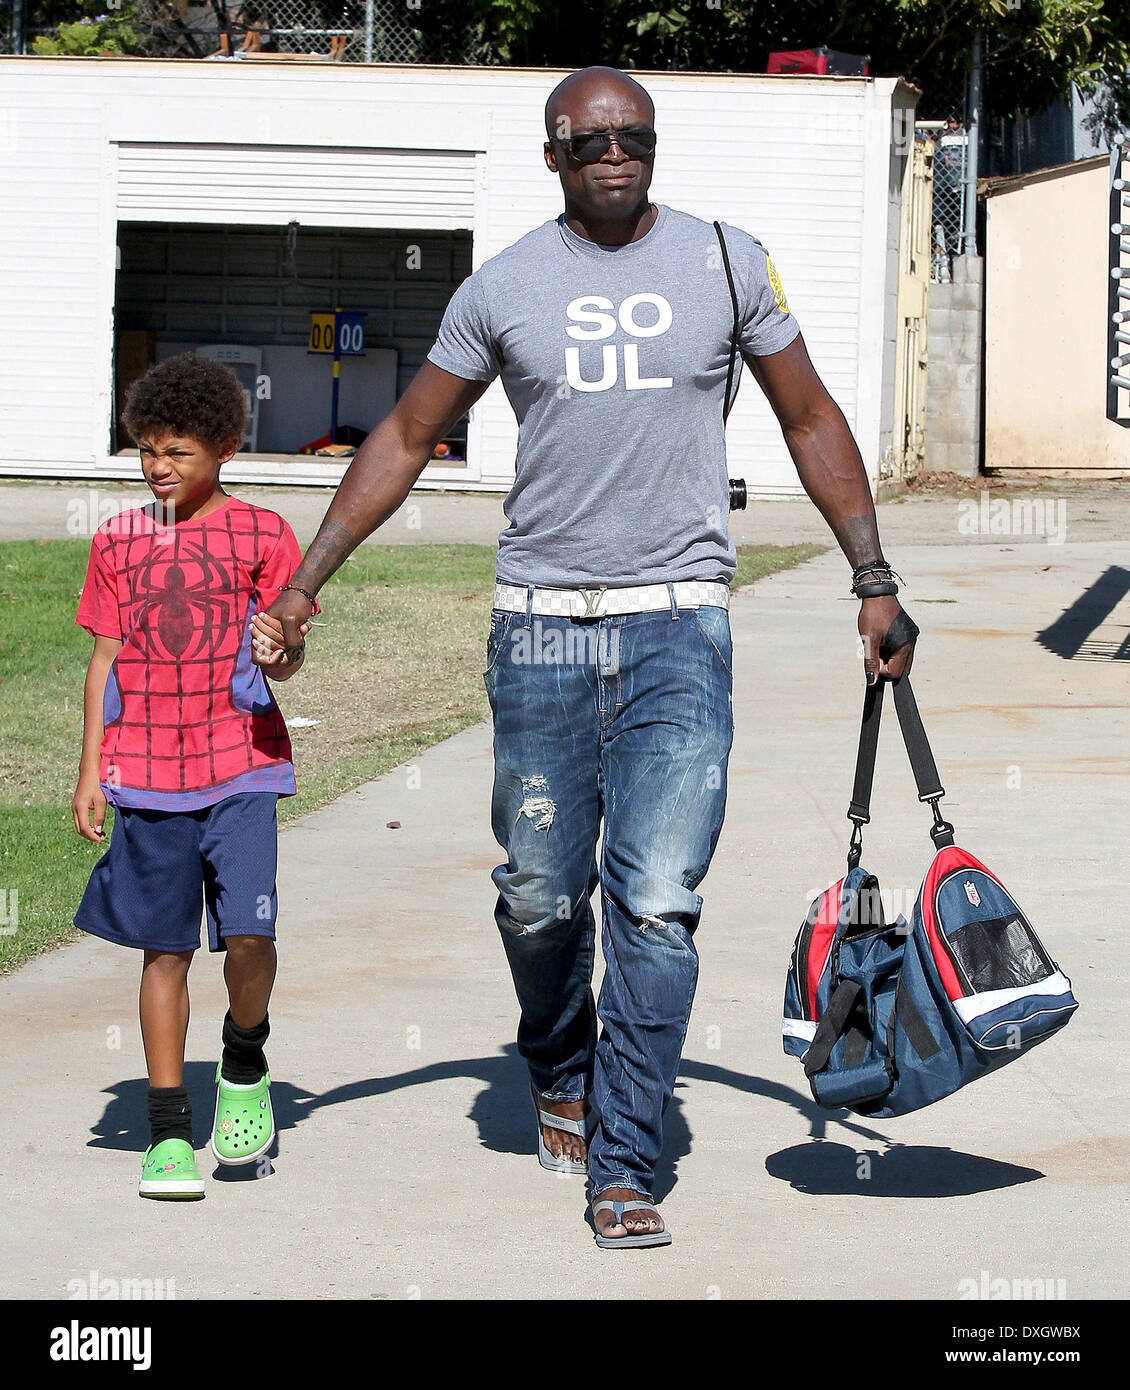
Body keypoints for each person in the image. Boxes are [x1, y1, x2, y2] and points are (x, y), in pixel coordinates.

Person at [255, 65, 917, 1247]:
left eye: (633, 138)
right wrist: (305, 584)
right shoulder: (504, 284)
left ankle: (623, 1159)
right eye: (588, 140)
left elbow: (808, 416)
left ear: (652, 147)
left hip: (679, 625)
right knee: (537, 895)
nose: (613, 154)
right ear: (551, 153)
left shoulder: (727, 262)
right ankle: (558, 1061)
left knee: (655, 901)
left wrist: (872, 578)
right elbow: (407, 432)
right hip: (538, 630)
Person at [71, 352, 310, 1200]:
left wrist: (282, 651)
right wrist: (91, 768)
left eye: (177, 452)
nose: (158, 467)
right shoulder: (117, 540)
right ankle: (169, 1131)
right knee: (164, 949)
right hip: (146, 771)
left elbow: (288, 652)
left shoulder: (264, 535)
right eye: (147, 450)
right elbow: (105, 658)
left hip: (242, 763)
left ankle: (243, 1062)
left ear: (224, 450)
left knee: (251, 935)